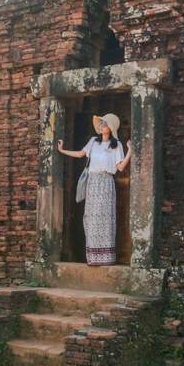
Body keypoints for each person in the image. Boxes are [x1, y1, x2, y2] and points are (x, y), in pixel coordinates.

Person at [56, 113, 132, 266]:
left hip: (106, 183)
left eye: (104, 123)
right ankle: (92, 257)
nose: (101, 125)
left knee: (105, 218)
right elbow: (80, 154)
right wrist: (62, 150)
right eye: (101, 123)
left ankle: (106, 258)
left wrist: (130, 150)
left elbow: (121, 167)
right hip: (93, 183)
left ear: (110, 128)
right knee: (91, 218)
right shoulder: (93, 142)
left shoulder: (116, 145)